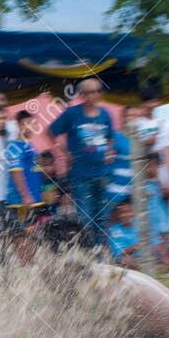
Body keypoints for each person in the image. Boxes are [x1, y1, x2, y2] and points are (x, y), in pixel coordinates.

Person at [47, 78, 116, 245]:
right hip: (80, 175)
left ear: (100, 94)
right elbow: (50, 132)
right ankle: (88, 252)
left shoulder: (105, 114)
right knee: (85, 216)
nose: (91, 96)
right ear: (81, 95)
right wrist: (64, 152)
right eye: (87, 93)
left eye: (95, 92)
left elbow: (110, 139)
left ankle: (100, 253)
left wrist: (109, 152)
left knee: (101, 216)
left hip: (102, 173)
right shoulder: (72, 114)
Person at [107, 200, 140, 268]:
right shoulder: (115, 230)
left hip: (141, 257)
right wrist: (135, 247)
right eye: (122, 213)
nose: (126, 215)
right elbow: (120, 253)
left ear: (134, 212)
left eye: (129, 211)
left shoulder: (139, 225)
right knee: (127, 260)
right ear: (118, 215)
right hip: (123, 258)